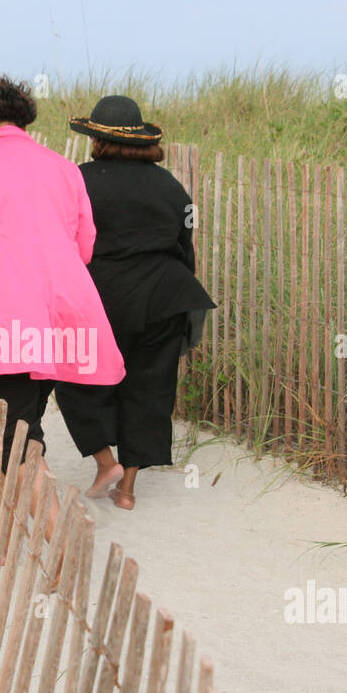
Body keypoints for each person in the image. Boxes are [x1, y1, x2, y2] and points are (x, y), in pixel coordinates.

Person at [0, 76, 124, 476]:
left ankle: (56, 533)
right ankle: (31, 516)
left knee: (13, 439)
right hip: (64, 311)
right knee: (24, 422)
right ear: (24, 121)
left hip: (4, 315)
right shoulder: (66, 168)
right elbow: (84, 246)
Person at [54, 95, 216, 511]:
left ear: (96, 139)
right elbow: (185, 249)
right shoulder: (172, 187)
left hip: (98, 298)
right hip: (163, 296)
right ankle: (126, 488)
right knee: (149, 388)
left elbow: (60, 242)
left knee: (75, 377)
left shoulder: (76, 179)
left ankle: (104, 462)